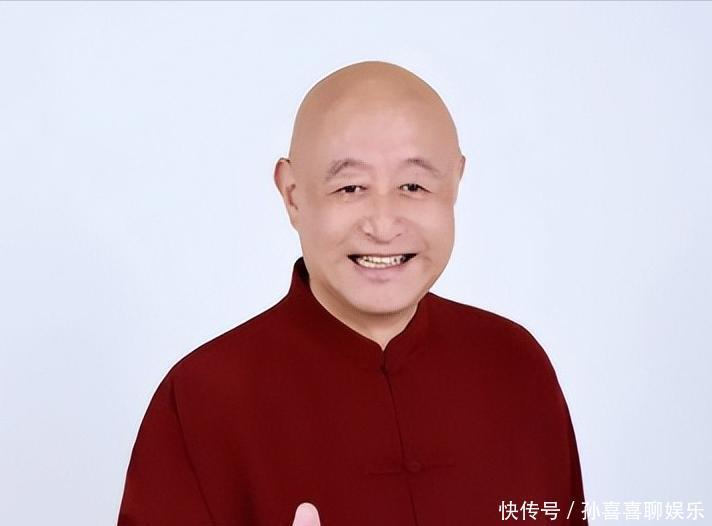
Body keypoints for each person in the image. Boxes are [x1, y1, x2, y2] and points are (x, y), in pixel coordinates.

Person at [117, 60, 588, 526]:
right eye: (350, 188)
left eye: (413, 185)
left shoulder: (516, 366)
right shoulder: (203, 399)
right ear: (293, 195)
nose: (382, 225)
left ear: (455, 183)